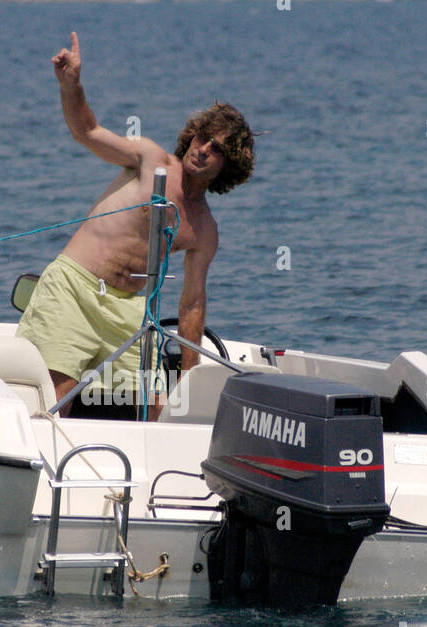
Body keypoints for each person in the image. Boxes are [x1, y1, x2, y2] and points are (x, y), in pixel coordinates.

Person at [15, 31, 255, 417]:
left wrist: (188, 378)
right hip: (75, 289)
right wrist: (71, 85)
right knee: (53, 403)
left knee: (156, 410)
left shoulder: (205, 229)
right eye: (204, 138)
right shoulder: (150, 159)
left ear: (229, 165)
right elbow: (88, 132)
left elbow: (192, 302)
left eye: (218, 149)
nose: (204, 149)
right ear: (193, 135)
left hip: (129, 312)